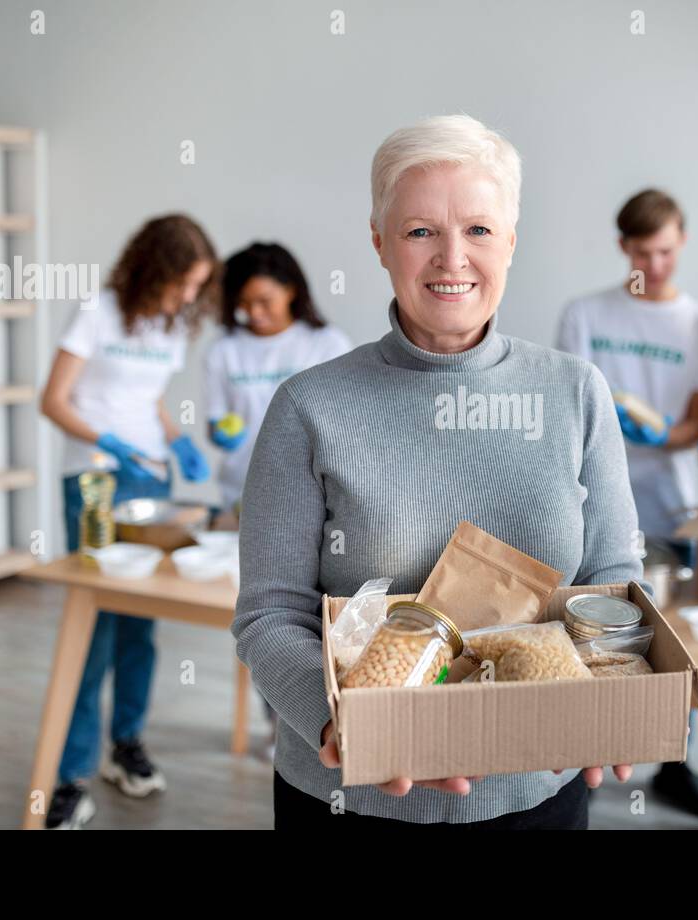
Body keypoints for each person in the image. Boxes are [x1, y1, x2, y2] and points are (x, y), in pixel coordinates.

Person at [234, 114, 641, 828]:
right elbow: (270, 615)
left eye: (479, 230)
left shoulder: (575, 393)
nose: (452, 259)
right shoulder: (308, 407)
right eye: (421, 231)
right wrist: (338, 724)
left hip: (534, 791)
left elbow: (612, 577)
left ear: (511, 241)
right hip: (352, 795)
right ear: (380, 243)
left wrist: (612, 704)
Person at [39, 213, 218, 829]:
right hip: (93, 480)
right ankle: (67, 776)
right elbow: (53, 399)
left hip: (150, 480)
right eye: (183, 283)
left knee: (140, 621)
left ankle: (127, 746)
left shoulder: (169, 324)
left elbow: (149, 400)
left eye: (197, 287)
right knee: (95, 625)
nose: (189, 297)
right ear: (153, 268)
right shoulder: (97, 310)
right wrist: (107, 442)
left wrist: (177, 439)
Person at [555, 191, 698, 815]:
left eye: (666, 251)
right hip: (592, 504)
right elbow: (565, 407)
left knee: (673, 643)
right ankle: (579, 753)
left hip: (670, 506)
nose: (654, 265)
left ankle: (672, 759)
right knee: (590, 632)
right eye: (642, 251)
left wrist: (667, 435)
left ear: (681, 243)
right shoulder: (585, 315)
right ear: (622, 246)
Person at [205, 242, 351, 760]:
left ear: (292, 290)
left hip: (311, 499)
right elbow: (217, 418)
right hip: (240, 495)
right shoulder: (224, 351)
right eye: (246, 304)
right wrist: (219, 434)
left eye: (265, 300)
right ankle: (286, 720)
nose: (256, 313)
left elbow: (345, 424)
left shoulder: (324, 343)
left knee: (302, 612)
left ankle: (310, 717)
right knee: (263, 612)